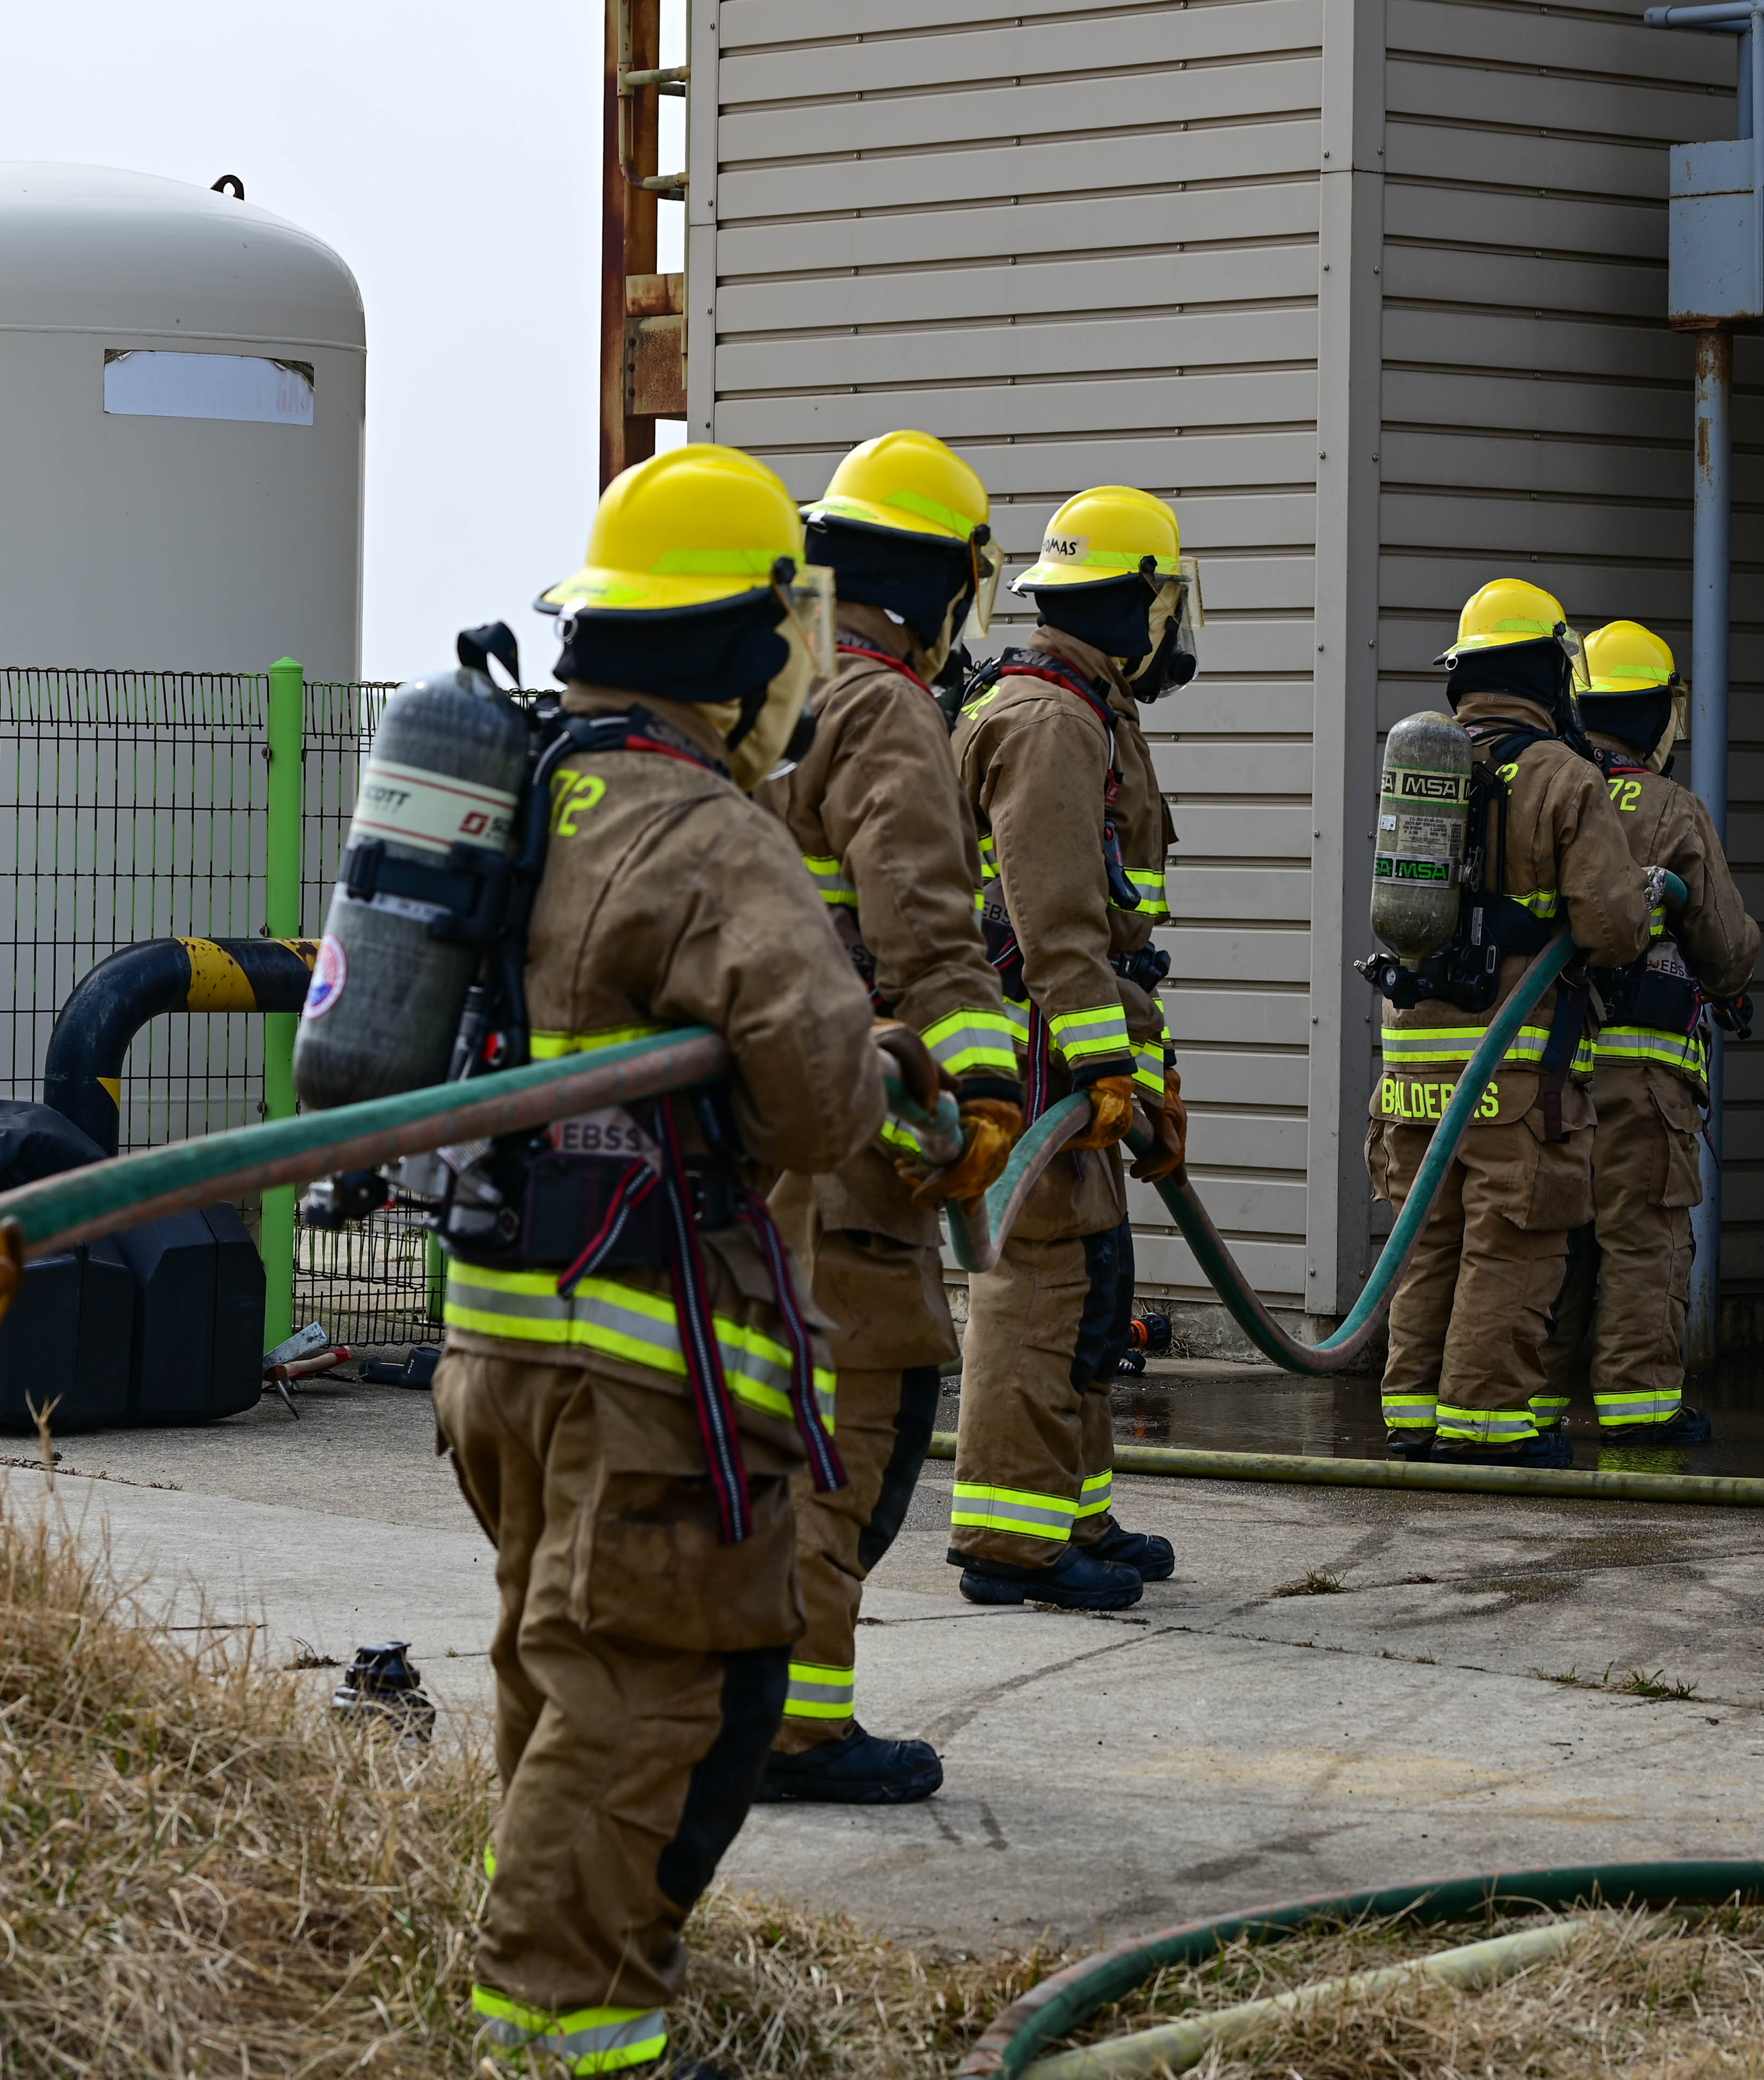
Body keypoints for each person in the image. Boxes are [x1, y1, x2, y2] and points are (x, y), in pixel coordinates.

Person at [434, 442, 912, 2080]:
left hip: (497, 1339)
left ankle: (543, 1988)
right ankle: (565, 2032)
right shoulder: (701, 831)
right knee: (650, 1696)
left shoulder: (531, 795)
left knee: (558, 1674)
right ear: (742, 644)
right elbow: (819, 1093)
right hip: (647, 1360)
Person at [752, 431, 1020, 1805]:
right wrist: (981, 1087)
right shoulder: (882, 706)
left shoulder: (752, 684)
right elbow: (923, 920)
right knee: (847, 1411)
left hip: (725, 1114)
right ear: (937, 583)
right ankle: (794, 1724)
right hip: (843, 1118)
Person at [945, 485, 1194, 1610]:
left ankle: (1070, 1511)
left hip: (1079, 1058)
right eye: (1160, 600)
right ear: (1133, 599)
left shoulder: (1088, 707)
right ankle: (1008, 1540)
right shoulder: (1049, 721)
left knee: (1092, 1288)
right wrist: (1104, 1071)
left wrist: (1142, 1072)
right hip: (1042, 1064)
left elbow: (1112, 929)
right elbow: (1053, 920)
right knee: (1036, 1290)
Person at [1365, 578, 1649, 1465]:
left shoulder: (1423, 765)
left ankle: (1411, 1415)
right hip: (1516, 1072)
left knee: (1428, 1241)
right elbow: (1608, 928)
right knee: (1510, 1242)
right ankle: (1486, 1424)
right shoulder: (1565, 777)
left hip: (1411, 1070)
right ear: (1546, 672)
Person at [1539, 620, 1758, 1446]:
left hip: (1548, 1069)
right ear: (1660, 712)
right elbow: (1728, 952)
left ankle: (1526, 1410)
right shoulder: (1671, 808)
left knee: (1550, 1237)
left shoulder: (1548, 785)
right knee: (1642, 1238)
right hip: (1642, 1076)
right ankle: (1639, 1411)